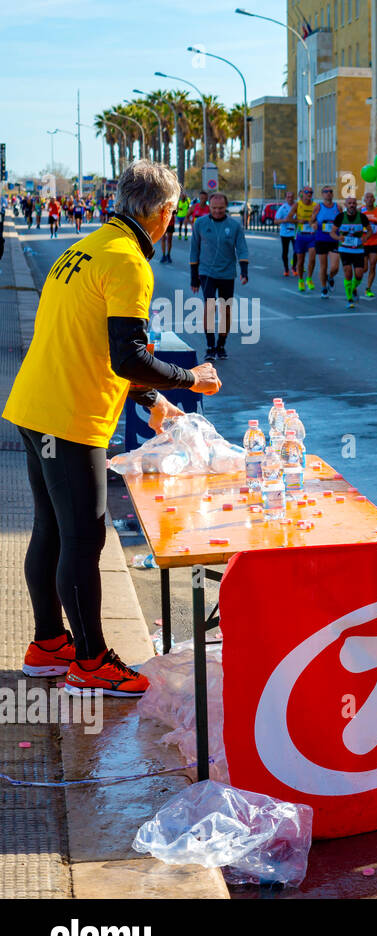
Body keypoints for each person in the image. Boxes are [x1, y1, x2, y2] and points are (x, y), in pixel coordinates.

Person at [3, 159, 222, 696]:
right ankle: (90, 661)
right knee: (83, 536)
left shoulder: (87, 246)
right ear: (164, 212)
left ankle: (50, 644)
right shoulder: (129, 262)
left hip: (35, 406)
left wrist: (151, 401)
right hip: (71, 419)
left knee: (52, 530)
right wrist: (188, 379)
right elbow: (128, 356)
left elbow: (96, 346)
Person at [189, 192, 249, 361]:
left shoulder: (234, 225)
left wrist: (244, 270)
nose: (217, 211)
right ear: (209, 206)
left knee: (226, 310)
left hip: (227, 273)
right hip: (206, 272)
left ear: (226, 207)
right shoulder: (200, 223)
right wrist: (194, 277)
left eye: (221, 208)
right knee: (209, 307)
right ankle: (210, 345)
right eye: (214, 208)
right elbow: (194, 250)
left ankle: (221, 344)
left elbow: (242, 248)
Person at [330, 194, 371, 309]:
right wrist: (338, 238)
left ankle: (353, 288)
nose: (352, 205)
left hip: (358, 249)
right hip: (344, 249)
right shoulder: (340, 217)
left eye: (354, 203)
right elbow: (332, 232)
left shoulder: (362, 217)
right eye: (350, 203)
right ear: (346, 205)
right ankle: (349, 299)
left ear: (356, 205)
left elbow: (369, 230)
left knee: (359, 274)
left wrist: (365, 237)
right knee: (348, 272)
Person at [312, 185, 341, 297]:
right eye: (325, 192)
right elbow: (311, 220)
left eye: (330, 191)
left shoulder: (337, 207)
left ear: (332, 194)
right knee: (323, 266)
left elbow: (342, 221)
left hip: (334, 239)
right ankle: (324, 288)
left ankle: (330, 277)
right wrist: (313, 224)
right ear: (322, 194)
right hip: (321, 239)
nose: (328, 193)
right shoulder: (318, 207)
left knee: (335, 267)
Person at [361, 191, 377, 297]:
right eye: (367, 197)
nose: (370, 199)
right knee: (364, 268)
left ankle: (368, 288)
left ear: (374, 200)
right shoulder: (360, 211)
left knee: (373, 264)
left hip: (374, 242)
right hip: (363, 242)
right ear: (364, 200)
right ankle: (356, 278)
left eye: (372, 197)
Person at [292, 187, 316, 292]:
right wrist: (298, 220)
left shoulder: (316, 206)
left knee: (312, 259)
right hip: (301, 236)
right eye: (307, 192)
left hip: (312, 236)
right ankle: (301, 280)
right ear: (302, 193)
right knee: (300, 261)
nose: (309, 194)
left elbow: (319, 219)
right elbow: (289, 218)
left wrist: (315, 223)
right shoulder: (297, 205)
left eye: (311, 192)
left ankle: (309, 278)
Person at [274, 190, 296, 276]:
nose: (290, 199)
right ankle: (286, 269)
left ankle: (294, 267)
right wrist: (284, 220)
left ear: (294, 198)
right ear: (285, 198)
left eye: (291, 197)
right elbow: (275, 221)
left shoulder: (297, 206)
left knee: (297, 251)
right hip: (285, 233)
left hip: (295, 232)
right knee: (285, 252)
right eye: (288, 197)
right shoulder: (282, 208)